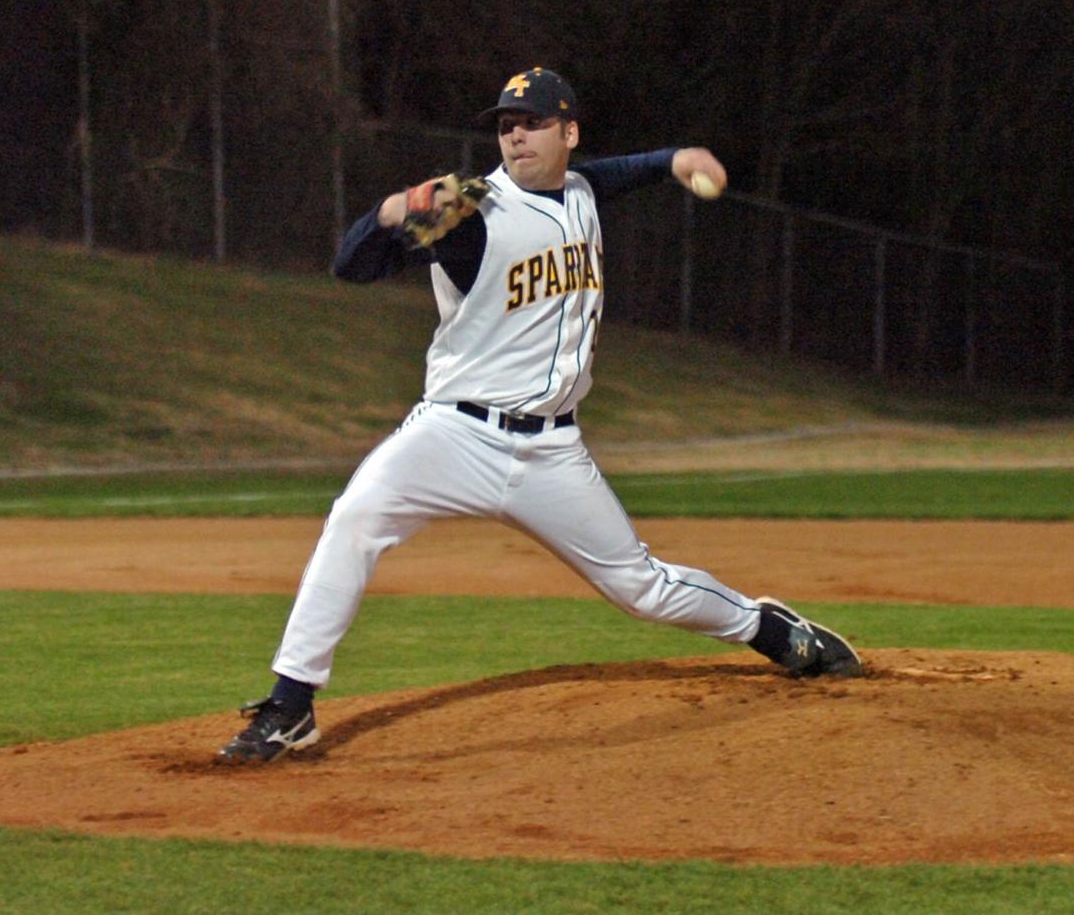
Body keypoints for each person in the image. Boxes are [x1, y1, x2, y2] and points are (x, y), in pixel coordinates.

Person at [216, 67, 861, 765]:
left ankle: (770, 630)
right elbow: (352, 266)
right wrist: (392, 212)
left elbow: (617, 174)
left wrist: (675, 159)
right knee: (354, 518)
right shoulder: (473, 212)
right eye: (506, 125)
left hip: (553, 452)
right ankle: (291, 704)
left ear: (569, 133)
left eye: (533, 122)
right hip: (454, 434)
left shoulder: (581, 191)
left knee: (641, 587)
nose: (517, 135)